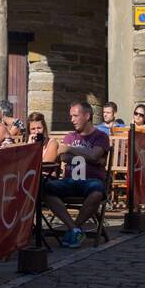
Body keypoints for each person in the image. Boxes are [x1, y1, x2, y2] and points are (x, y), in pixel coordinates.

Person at [47, 101, 110, 248]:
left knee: (97, 193)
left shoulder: (100, 136)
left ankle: (74, 228)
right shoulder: (70, 136)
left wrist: (70, 149)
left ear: (87, 116)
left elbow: (94, 155)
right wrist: (90, 156)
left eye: (75, 116)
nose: (72, 120)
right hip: (70, 180)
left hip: (91, 180)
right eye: (71, 116)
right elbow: (63, 157)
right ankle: (75, 229)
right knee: (45, 188)